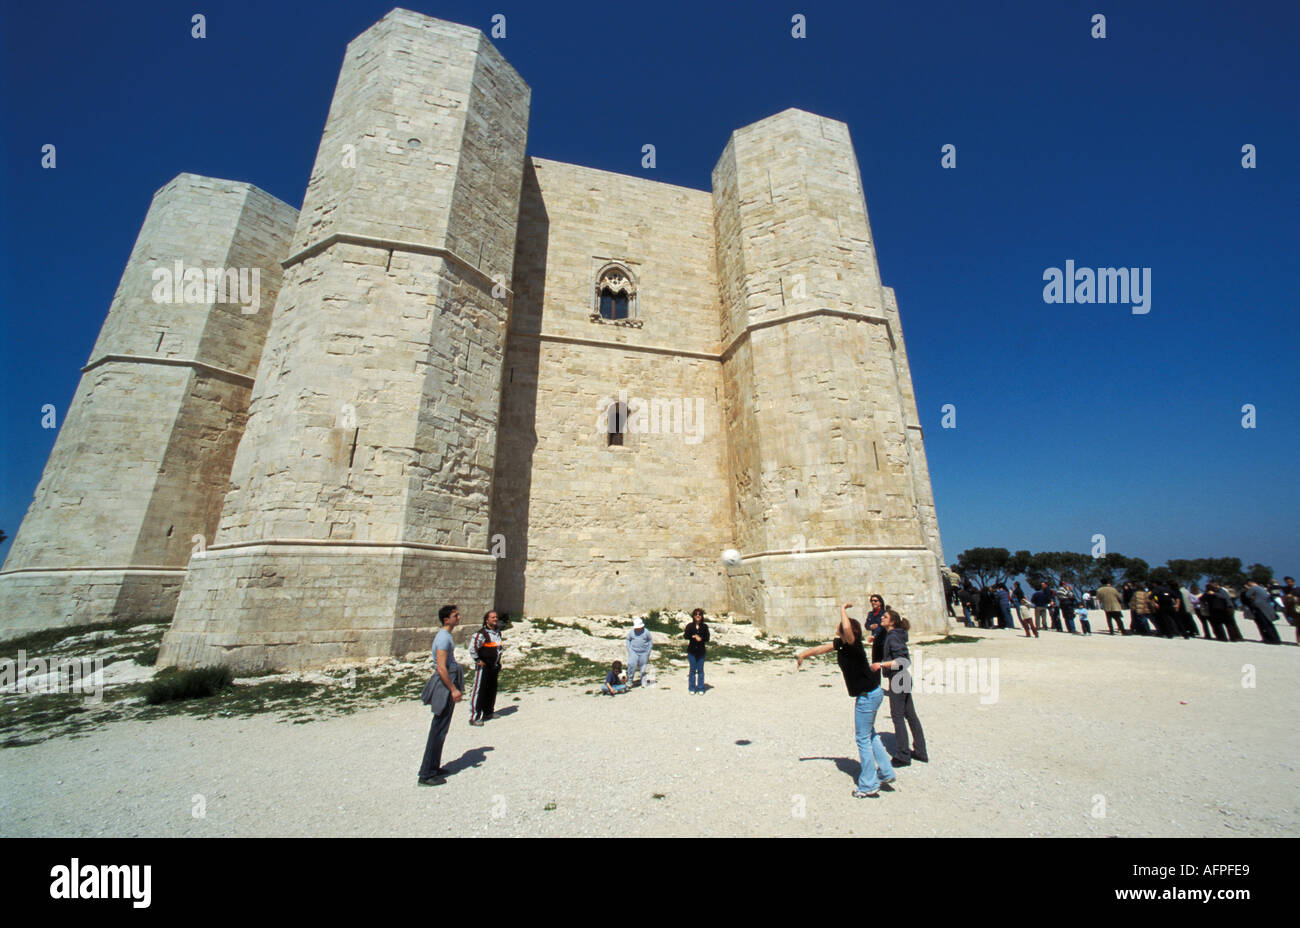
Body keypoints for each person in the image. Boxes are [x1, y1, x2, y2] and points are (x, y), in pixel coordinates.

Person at [796, 603, 897, 799]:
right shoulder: (841, 644)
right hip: (871, 693)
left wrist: (843, 610)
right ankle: (886, 772)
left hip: (867, 696)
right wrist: (804, 654)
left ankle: (868, 784)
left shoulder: (853, 644)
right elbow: (821, 649)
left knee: (862, 739)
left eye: (840, 625)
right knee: (871, 734)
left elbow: (848, 629)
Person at [873, 609, 928, 766]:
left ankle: (903, 755)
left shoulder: (893, 636)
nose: (882, 618)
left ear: (892, 622)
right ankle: (920, 751)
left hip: (898, 677)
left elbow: (903, 660)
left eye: (885, 617)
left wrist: (881, 664)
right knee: (910, 715)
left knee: (897, 716)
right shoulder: (895, 635)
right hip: (902, 678)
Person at [418, 604, 464, 786]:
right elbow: (441, 667)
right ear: (446, 619)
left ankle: (434, 767)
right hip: (445, 684)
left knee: (441, 728)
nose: (458, 618)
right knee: (438, 728)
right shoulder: (443, 638)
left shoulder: (445, 636)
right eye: (456, 615)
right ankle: (426, 774)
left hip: (448, 680)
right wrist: (453, 689)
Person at [468, 609, 504, 726]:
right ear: (487, 620)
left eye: (496, 617)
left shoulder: (497, 633)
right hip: (483, 667)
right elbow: (473, 648)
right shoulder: (481, 634)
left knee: (491, 690)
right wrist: (477, 660)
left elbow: (498, 648)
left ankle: (488, 712)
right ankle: (474, 717)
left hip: (494, 666)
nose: (495, 619)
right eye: (492, 617)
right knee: (479, 690)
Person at [683, 607, 710, 694]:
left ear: (702, 616)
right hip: (692, 651)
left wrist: (701, 639)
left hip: (701, 651)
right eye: (696, 614)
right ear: (693, 616)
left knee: (701, 670)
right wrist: (693, 636)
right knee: (692, 670)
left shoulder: (705, 626)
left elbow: (707, 638)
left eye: (699, 614)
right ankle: (692, 688)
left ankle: (701, 688)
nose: (698, 616)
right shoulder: (690, 626)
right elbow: (685, 636)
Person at [626, 617, 654, 686]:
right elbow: (628, 639)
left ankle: (643, 681)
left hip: (644, 652)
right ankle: (629, 680)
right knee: (631, 664)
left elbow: (650, 640)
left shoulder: (646, 632)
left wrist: (648, 650)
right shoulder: (632, 632)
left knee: (643, 667)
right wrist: (629, 649)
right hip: (633, 651)